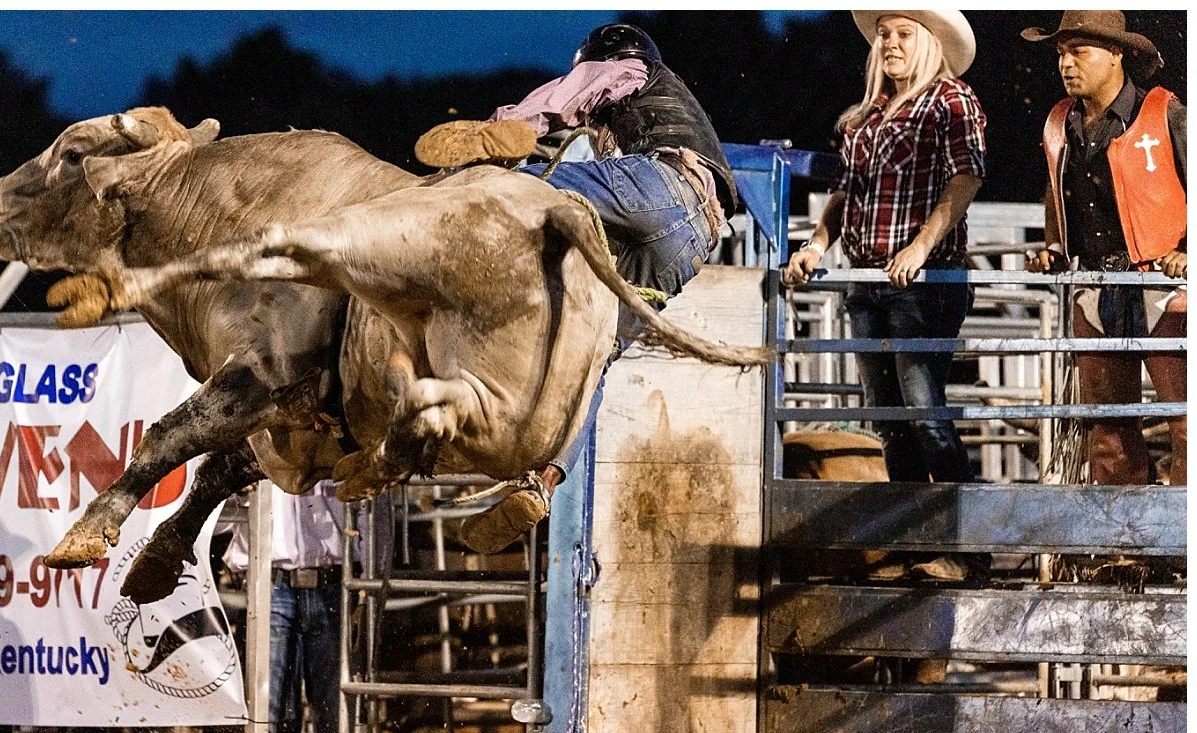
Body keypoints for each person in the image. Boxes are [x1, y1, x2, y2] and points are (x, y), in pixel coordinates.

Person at [414, 23, 739, 554]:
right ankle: (542, 481)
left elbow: (572, 92)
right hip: (693, 241)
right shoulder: (667, 115)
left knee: (515, 189)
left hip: (662, 190)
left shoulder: (632, 69)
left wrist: (501, 128)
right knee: (595, 355)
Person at [781, 10, 988, 582]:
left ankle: (963, 544)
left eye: (903, 34)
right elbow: (844, 194)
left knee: (924, 412)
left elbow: (965, 178)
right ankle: (910, 539)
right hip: (870, 281)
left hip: (922, 282)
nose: (890, 43)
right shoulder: (863, 120)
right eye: (884, 35)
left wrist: (921, 248)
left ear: (928, 44)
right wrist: (815, 248)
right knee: (891, 418)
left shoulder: (951, 101)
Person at [1022, 11, 1186, 488]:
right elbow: (1056, 192)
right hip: (1096, 284)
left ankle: (1180, 547)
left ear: (1117, 55)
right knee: (1108, 431)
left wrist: (1187, 248)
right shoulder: (1059, 123)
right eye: (1061, 54)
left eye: (1079, 52)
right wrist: (1055, 244)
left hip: (1165, 283)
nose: (1066, 64)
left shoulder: (1167, 111)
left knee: (1187, 423)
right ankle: (1122, 553)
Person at [222, 481, 347, 733]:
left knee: (339, 730)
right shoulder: (257, 428)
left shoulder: (343, 422)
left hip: (334, 582)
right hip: (270, 580)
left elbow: (375, 514)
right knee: (274, 728)